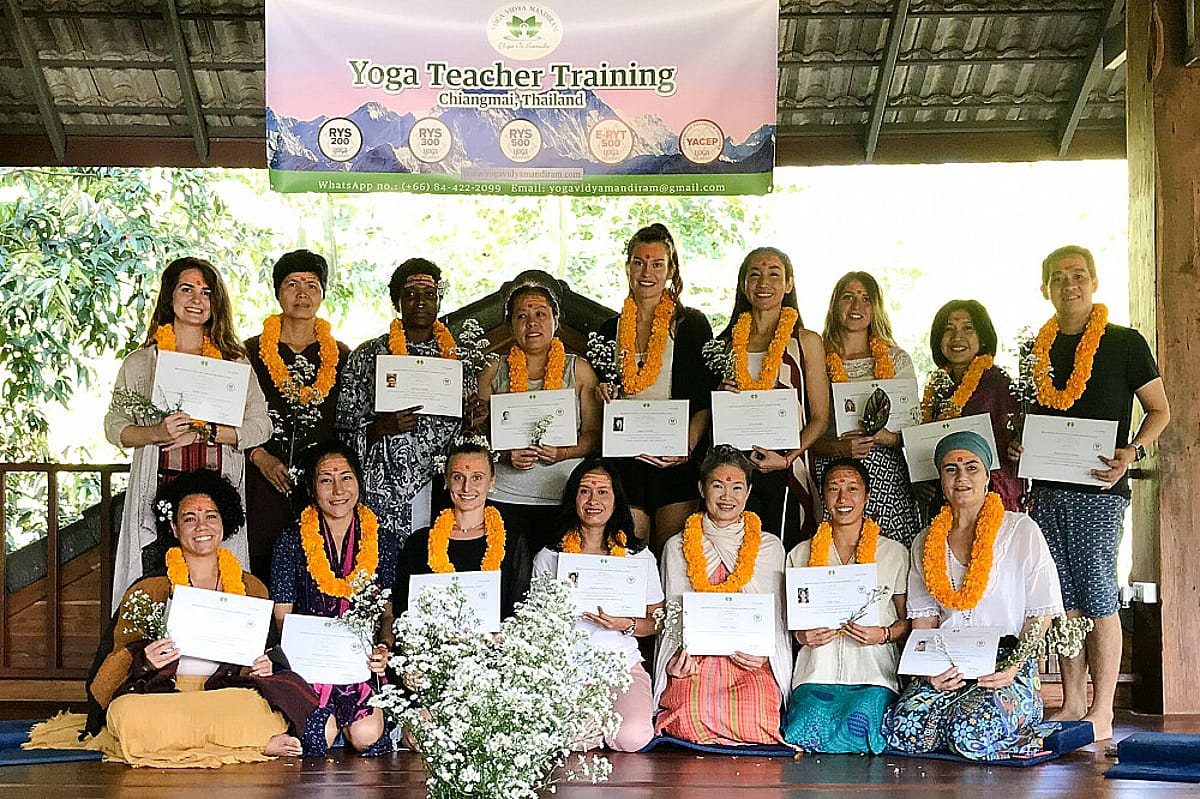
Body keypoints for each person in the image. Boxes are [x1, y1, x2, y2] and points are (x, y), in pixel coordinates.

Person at [1009, 245, 1169, 741]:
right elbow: (1034, 416)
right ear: (1045, 289)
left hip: (1099, 491)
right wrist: (1021, 445)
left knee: (1098, 594)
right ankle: (1073, 699)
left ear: (1095, 282)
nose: (1069, 285)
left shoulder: (1125, 342)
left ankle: (1103, 711)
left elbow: (1159, 411)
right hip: (1047, 491)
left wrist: (1132, 452)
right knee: (1064, 601)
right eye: (1058, 278)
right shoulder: (1035, 349)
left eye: (1078, 275)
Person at [47, 470, 313, 767]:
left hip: (223, 694)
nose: (202, 526)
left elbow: (265, 658)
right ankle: (250, 743)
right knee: (128, 714)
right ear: (174, 527)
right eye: (189, 518)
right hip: (165, 694)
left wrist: (262, 666)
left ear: (224, 524)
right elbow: (115, 660)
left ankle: (203, 740)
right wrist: (144, 660)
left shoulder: (252, 587)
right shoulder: (149, 588)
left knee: (258, 707)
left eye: (211, 516)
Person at [884, 431, 1064, 761]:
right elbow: (924, 620)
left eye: (972, 467)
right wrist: (927, 672)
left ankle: (1023, 729)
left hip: (1005, 664)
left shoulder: (1021, 530)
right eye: (951, 469)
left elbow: (1042, 613)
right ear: (941, 481)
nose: (961, 477)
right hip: (947, 663)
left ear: (987, 478)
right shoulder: (925, 541)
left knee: (968, 733)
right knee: (902, 731)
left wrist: (1013, 667)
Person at [105, 257, 271, 606]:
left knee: (220, 589)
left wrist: (212, 432)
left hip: (217, 500)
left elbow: (261, 426)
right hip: (160, 497)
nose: (197, 299)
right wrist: (157, 433)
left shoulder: (234, 362)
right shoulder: (141, 363)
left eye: (206, 292)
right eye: (187, 289)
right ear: (169, 297)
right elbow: (114, 428)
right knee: (156, 588)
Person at [653, 446, 791, 745]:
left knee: (757, 717)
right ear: (702, 488)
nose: (727, 496)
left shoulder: (769, 547)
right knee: (690, 715)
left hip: (750, 661)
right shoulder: (677, 547)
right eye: (718, 485)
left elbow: (777, 622)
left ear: (748, 491)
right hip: (695, 660)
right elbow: (671, 620)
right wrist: (676, 661)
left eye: (736, 487)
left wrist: (763, 652)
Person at [595, 224, 715, 552]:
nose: (647, 272)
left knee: (671, 551)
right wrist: (603, 392)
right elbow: (601, 397)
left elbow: (705, 400)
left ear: (671, 271)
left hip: (675, 458)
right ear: (627, 267)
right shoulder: (609, 330)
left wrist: (684, 450)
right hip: (625, 458)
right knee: (630, 550)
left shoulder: (691, 325)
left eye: (657, 264)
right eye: (638, 262)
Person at [271, 442, 395, 756]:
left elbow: (387, 613)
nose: (338, 489)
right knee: (319, 737)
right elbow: (282, 615)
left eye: (346, 478)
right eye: (326, 479)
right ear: (312, 489)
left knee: (367, 735)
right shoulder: (291, 541)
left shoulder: (382, 540)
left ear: (359, 483)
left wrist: (384, 648)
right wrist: (308, 657)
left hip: (361, 663)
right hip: (310, 663)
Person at [532, 457, 663, 752]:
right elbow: (536, 626)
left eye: (603, 492)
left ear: (616, 499)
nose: (594, 500)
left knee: (633, 736)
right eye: (585, 491)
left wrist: (624, 624)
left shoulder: (637, 556)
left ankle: (599, 724)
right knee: (565, 740)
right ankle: (591, 725)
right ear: (573, 498)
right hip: (565, 670)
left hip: (621, 667)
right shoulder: (549, 556)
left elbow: (658, 620)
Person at [781, 458, 909, 754]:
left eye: (852, 488)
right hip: (817, 671)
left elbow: (908, 621)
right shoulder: (801, 554)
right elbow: (788, 623)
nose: (843, 498)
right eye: (834, 489)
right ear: (823, 496)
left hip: (873, 674)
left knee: (864, 725)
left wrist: (884, 635)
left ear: (866, 495)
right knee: (804, 728)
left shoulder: (893, 553)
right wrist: (802, 637)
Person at [336, 258, 464, 547]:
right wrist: (379, 428)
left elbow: (467, 434)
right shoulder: (368, 355)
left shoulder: (457, 359)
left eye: (429, 294)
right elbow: (342, 430)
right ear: (397, 301)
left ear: (440, 301)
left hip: (442, 486)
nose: (420, 302)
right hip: (381, 488)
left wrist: (474, 418)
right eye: (410, 294)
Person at [713, 247, 830, 547]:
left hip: (786, 468)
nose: (764, 283)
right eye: (755, 274)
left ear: (789, 284)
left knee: (782, 552)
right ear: (743, 285)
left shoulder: (806, 342)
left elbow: (819, 417)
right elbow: (709, 411)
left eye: (774, 274)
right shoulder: (724, 344)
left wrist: (787, 458)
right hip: (734, 470)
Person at [244, 249, 350, 581]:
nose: (302, 294)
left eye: (312, 285)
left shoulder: (342, 356)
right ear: (277, 293)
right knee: (263, 569)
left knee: (319, 571)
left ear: (322, 294)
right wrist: (259, 457)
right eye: (292, 284)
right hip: (262, 484)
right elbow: (228, 417)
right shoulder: (247, 352)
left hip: (321, 487)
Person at [479, 275, 601, 554]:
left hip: (562, 495)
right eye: (522, 316)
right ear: (510, 326)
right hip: (504, 495)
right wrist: (505, 455)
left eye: (541, 314)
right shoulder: (493, 369)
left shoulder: (578, 370)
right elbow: (477, 436)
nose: (532, 322)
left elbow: (594, 436)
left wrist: (563, 453)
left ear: (556, 321)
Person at [811, 271, 921, 547]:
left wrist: (888, 438)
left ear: (876, 308)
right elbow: (802, 436)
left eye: (865, 299)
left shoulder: (896, 359)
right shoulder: (816, 357)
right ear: (836, 305)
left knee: (890, 557)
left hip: (885, 474)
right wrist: (839, 448)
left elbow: (915, 431)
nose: (856, 307)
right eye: (848, 297)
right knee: (834, 556)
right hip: (833, 475)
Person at [395, 439, 531, 620]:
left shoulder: (511, 541)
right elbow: (404, 607)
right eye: (458, 477)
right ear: (446, 480)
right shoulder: (420, 542)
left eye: (477, 478)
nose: (467, 488)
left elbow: (520, 608)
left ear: (491, 482)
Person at [919, 299, 1022, 512]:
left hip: (989, 498)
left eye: (968, 328)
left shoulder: (997, 383)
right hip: (943, 501)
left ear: (983, 337)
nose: (957, 337)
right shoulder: (937, 387)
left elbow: (1012, 442)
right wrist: (922, 482)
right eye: (949, 329)